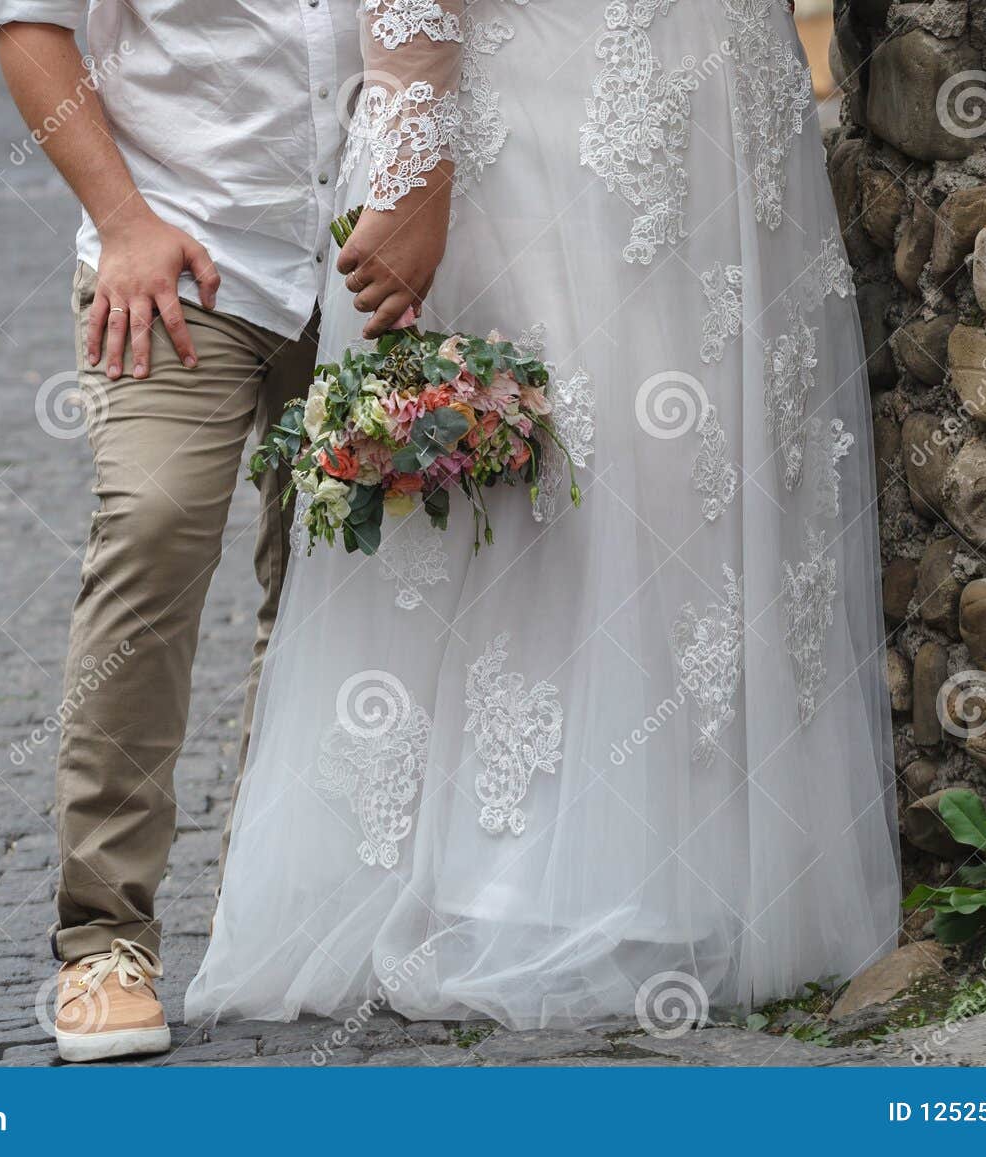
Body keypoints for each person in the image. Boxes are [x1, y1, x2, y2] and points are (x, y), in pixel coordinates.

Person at [188, 0, 899, 1032]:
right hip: (547, 117)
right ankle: (520, 883)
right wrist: (410, 167)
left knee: (699, 468)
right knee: (582, 470)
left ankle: (699, 865)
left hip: (715, 98)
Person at [0, 0, 449, 1062]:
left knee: (341, 573)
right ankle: (103, 940)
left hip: (369, 254)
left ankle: (276, 905)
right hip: (187, 247)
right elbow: (28, 25)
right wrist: (126, 223)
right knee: (151, 526)